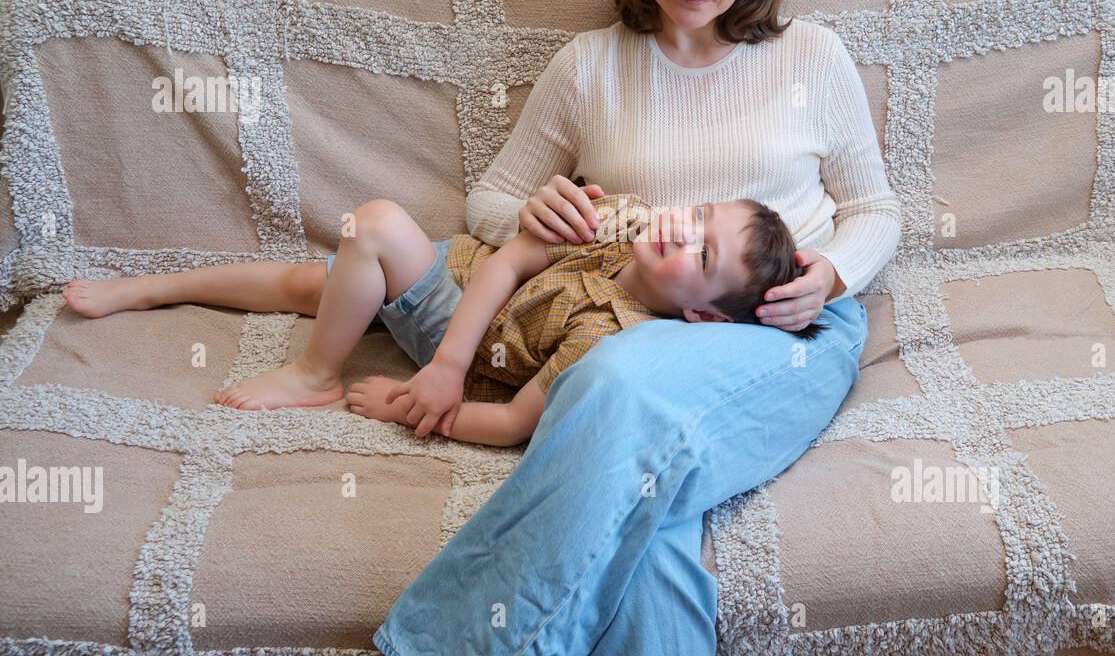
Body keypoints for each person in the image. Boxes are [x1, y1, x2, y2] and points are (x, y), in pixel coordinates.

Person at [379, 0, 901, 656]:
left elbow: (877, 208)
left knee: (616, 383)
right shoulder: (589, 66)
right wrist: (528, 218)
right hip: (630, 309)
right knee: (652, 524)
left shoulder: (813, 57)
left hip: (772, 333)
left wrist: (834, 273)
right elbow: (492, 201)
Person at [61, 191, 824, 446]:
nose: (678, 231)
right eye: (695, 215)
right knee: (310, 280)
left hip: (479, 342)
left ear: (697, 311)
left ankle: (314, 374)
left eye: (700, 253)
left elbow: (521, 421)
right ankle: (149, 289)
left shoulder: (613, 336)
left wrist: (418, 404)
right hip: (462, 284)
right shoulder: (623, 217)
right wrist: (446, 362)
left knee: (376, 223)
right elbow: (508, 261)